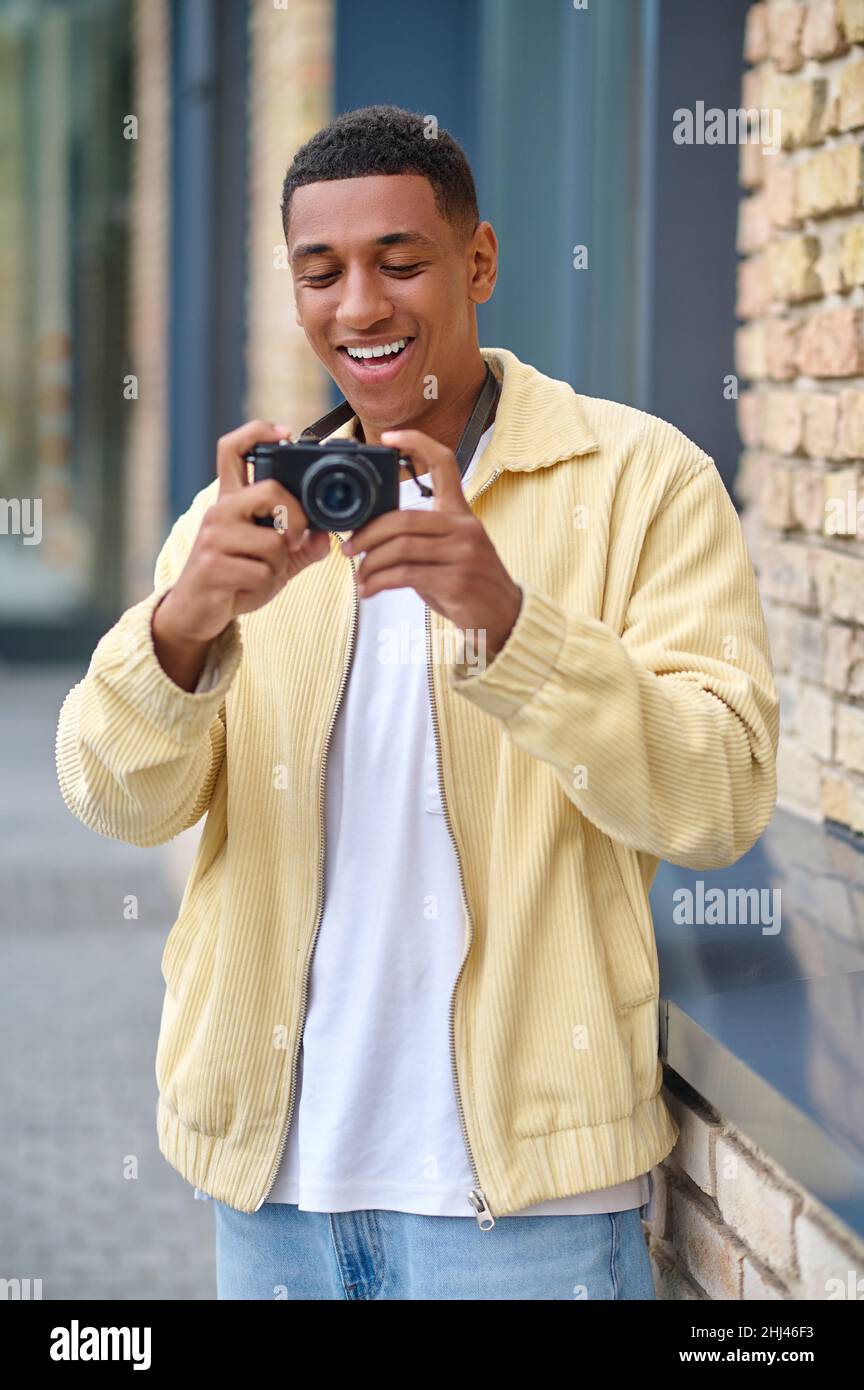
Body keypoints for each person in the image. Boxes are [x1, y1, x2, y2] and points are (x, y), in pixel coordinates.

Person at [56, 105, 779, 1301]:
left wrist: (514, 626)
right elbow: (118, 802)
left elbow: (722, 797)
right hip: (276, 1192)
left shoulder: (646, 481)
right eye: (321, 272)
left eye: (401, 261)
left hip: (526, 1217)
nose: (361, 307)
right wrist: (181, 631)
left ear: (479, 261)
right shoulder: (233, 524)